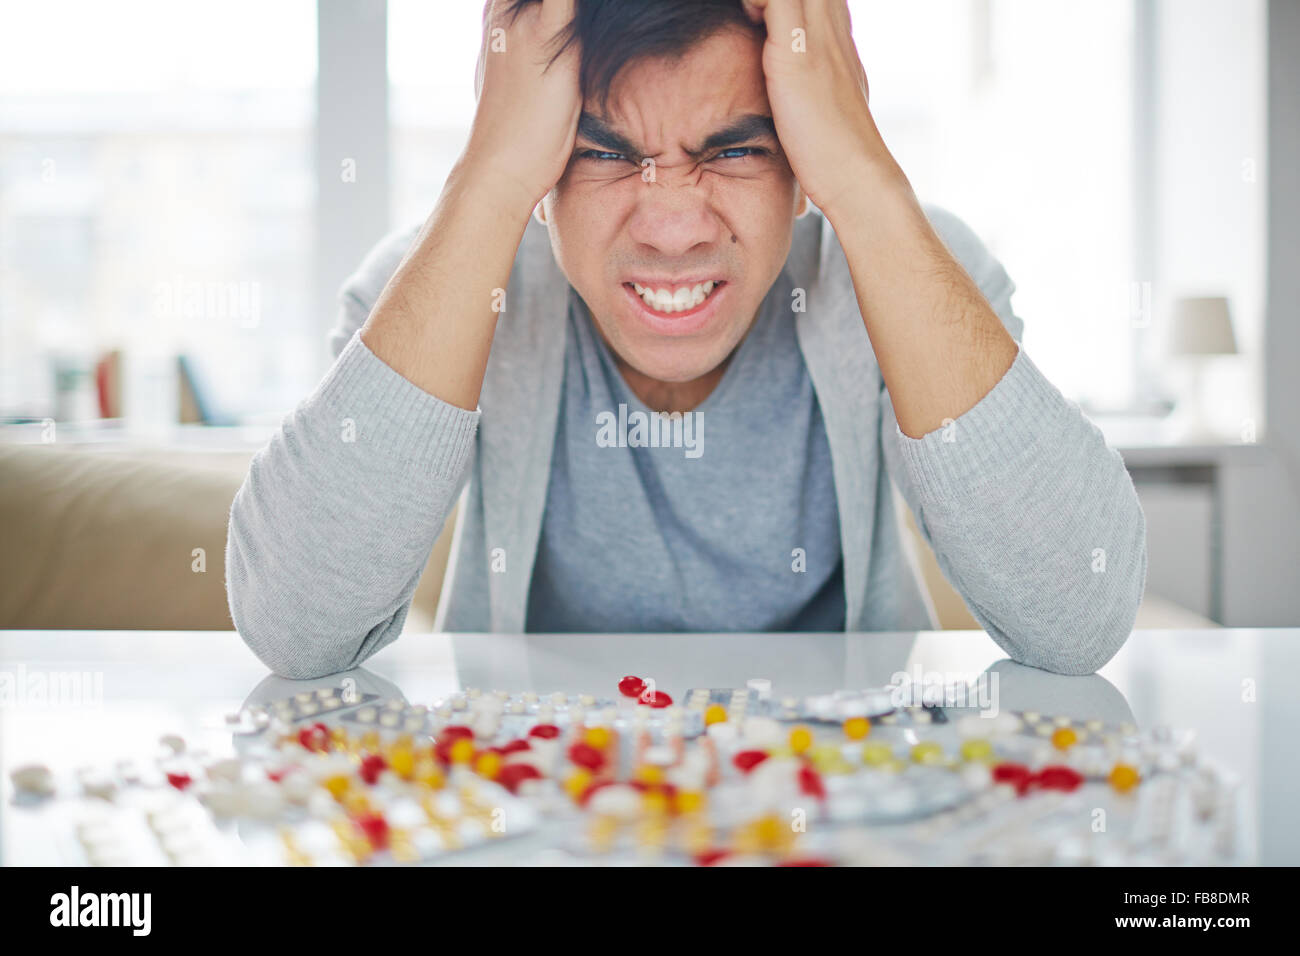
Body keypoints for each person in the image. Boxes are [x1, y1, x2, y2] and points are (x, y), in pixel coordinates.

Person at [226, 0, 1146, 679]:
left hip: (843, 807)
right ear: (540, 164)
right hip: (535, 812)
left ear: (805, 159)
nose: (673, 229)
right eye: (603, 153)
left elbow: (1078, 619)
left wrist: (865, 181)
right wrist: (486, 182)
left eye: (737, 148)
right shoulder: (457, 282)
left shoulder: (899, 267)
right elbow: (298, 633)